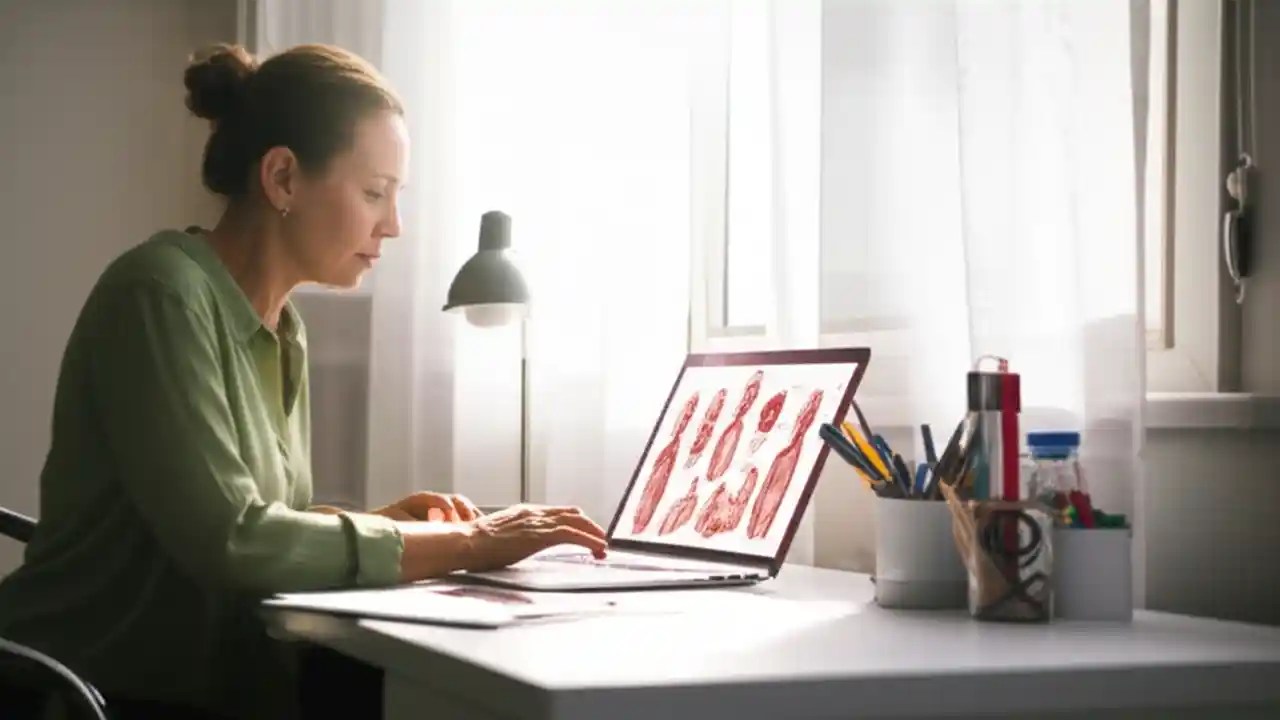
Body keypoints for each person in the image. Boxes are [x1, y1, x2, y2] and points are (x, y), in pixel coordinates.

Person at [0, 43, 608, 720]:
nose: (393, 225)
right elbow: (234, 540)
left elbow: (260, 519)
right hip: (75, 694)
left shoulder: (285, 329)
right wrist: (471, 543)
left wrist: (379, 525)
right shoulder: (160, 294)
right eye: (375, 192)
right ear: (283, 178)